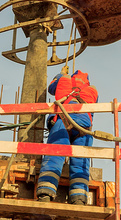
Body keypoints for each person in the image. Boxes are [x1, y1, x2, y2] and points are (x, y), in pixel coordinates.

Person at [36, 68, 98, 205]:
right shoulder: (92, 89)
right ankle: (79, 198)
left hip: (64, 118)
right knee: (81, 162)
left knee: (55, 155)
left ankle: (45, 193)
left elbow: (51, 88)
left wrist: (62, 74)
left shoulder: (64, 79)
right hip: (84, 125)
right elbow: (93, 109)